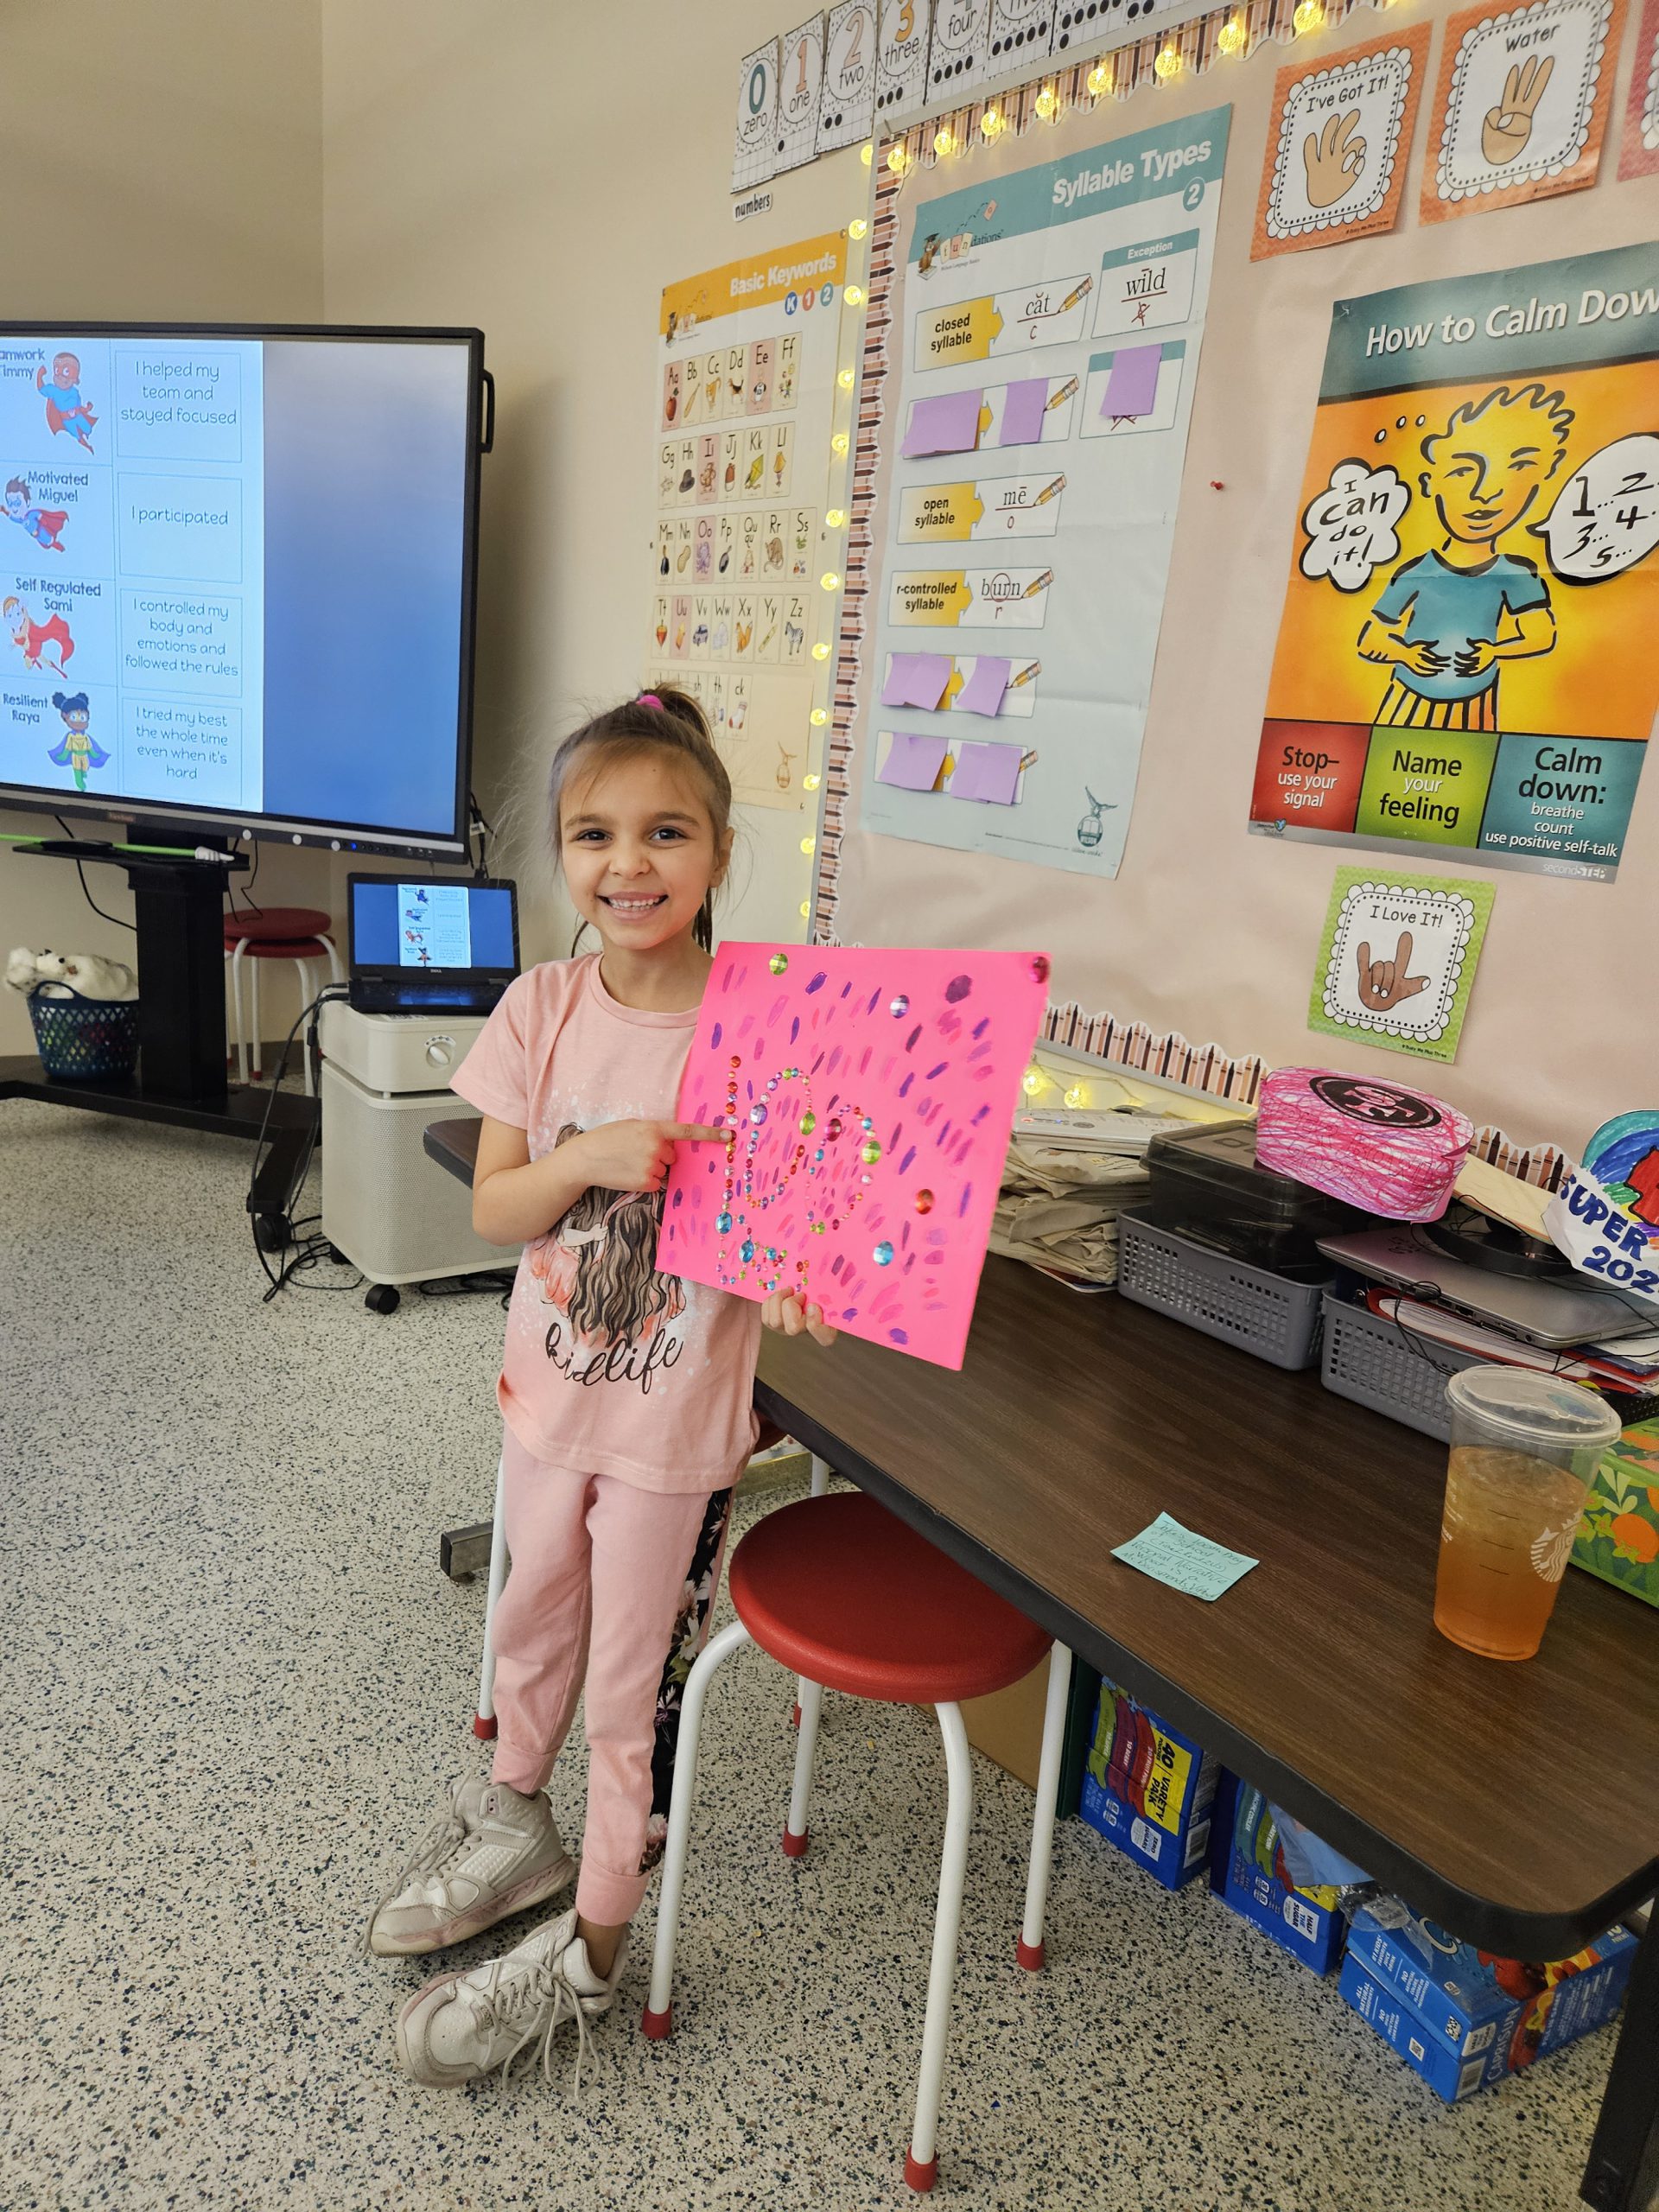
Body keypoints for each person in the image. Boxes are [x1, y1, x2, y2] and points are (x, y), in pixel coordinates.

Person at [367, 686, 836, 2088]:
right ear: (563, 854)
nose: (627, 864)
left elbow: (806, 1220)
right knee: (527, 1617)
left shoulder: (770, 1025)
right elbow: (499, 1209)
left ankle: (594, 1951)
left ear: (720, 847)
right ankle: (516, 1824)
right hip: (550, 1401)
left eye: (665, 831)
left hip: (675, 1431)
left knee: (633, 1696)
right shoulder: (544, 1004)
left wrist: (817, 1271)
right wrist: (589, 1156)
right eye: (593, 835)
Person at [1357, 383, 1570, 732]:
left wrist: (1496, 651)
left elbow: (1541, 635)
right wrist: (1405, 653)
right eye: (1462, 471)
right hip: (1407, 699)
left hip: (1475, 704)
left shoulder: (1517, 574)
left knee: (1470, 772)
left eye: (1516, 469)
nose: (1485, 493)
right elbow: (1371, 638)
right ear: (1431, 482)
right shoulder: (1416, 571)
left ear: (1536, 483)